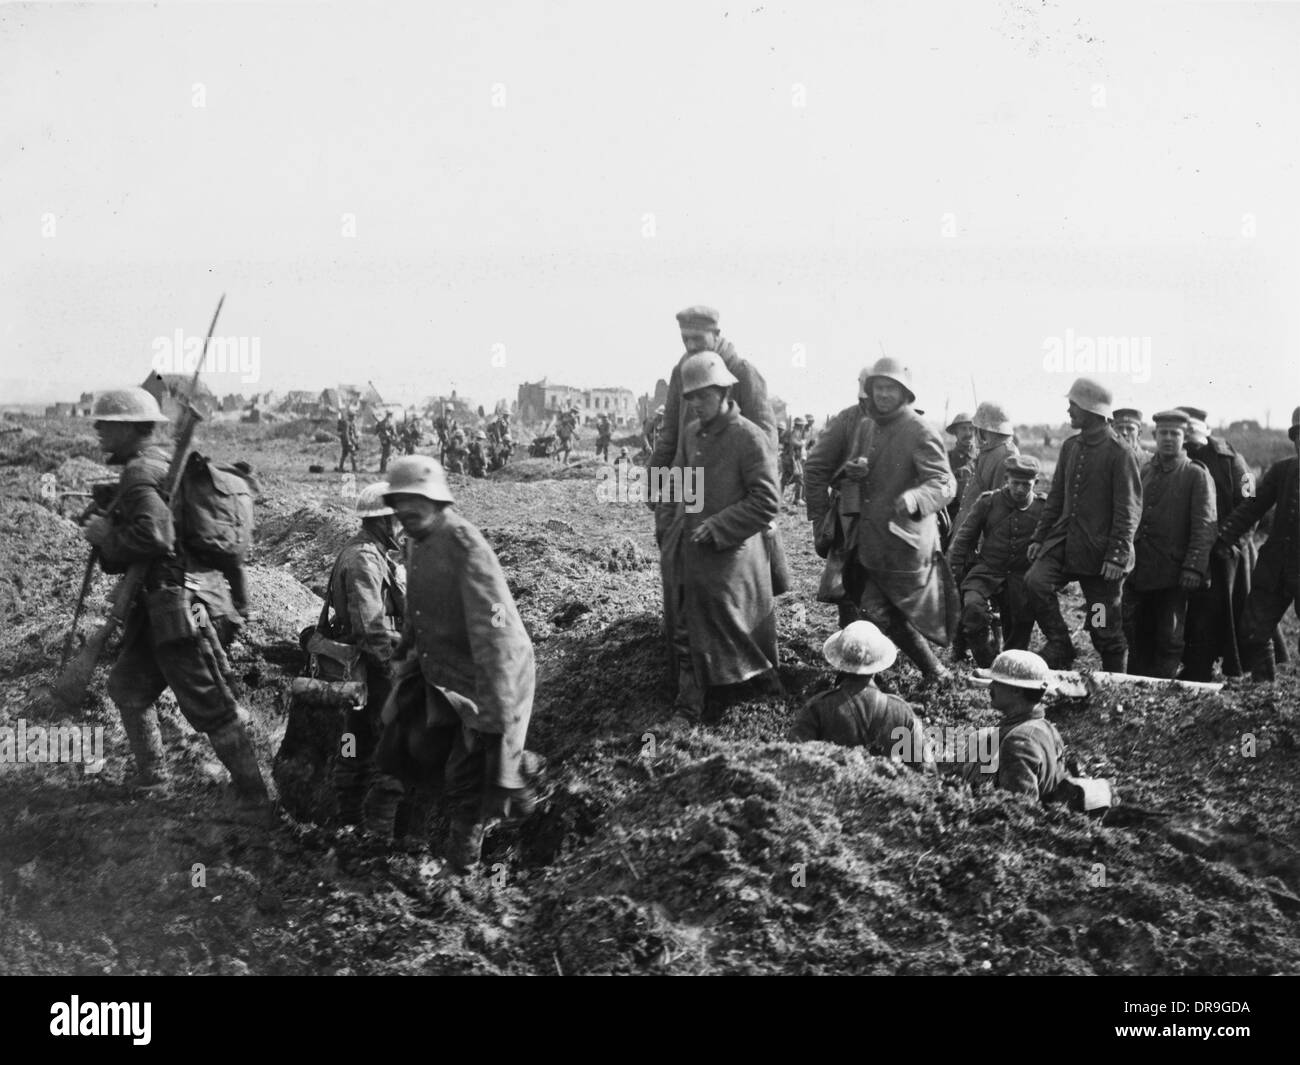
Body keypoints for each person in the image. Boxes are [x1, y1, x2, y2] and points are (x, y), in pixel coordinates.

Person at [80, 387, 269, 803]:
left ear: (130, 428)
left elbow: (155, 536)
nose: (97, 430)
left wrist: (106, 534)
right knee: (127, 687)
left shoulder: (140, 473)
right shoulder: (162, 464)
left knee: (210, 705)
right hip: (166, 606)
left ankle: (257, 798)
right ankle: (154, 780)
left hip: (181, 610)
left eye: (105, 423)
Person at [378, 456, 541, 873]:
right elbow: (416, 605)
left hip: (489, 672)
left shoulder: (465, 546)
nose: (404, 514)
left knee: (470, 781)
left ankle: (462, 872)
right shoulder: (416, 539)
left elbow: (495, 635)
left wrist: (495, 713)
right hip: (444, 669)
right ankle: (518, 771)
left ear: (434, 499)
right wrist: (405, 654)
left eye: (412, 504)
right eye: (398, 505)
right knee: (407, 745)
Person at [804, 357, 956, 680]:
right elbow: (835, 470)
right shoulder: (865, 425)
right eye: (879, 388)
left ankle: (863, 682)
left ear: (904, 393)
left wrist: (916, 498)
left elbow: (945, 483)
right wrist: (850, 472)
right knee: (879, 609)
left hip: (904, 543)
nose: (883, 395)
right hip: (868, 540)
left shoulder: (919, 430)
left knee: (875, 610)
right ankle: (934, 672)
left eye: (891, 389)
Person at [656, 352, 781, 721]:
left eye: (703, 396)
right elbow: (679, 481)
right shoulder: (692, 432)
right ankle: (688, 704)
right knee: (683, 621)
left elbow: (766, 502)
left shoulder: (748, 437)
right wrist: (667, 521)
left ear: (725, 392)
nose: (695, 404)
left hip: (732, 552)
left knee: (734, 624)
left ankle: (766, 685)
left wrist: (720, 525)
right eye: (690, 397)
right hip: (690, 544)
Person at [1025, 378, 1142, 672]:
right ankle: (1060, 644)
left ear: (1092, 410)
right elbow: (1055, 498)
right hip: (1066, 546)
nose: (1069, 410)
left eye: (1074, 405)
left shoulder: (1119, 453)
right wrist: (1040, 537)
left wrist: (1116, 556)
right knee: (1035, 581)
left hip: (1100, 561)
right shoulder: (1070, 447)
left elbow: (1128, 511)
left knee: (1103, 626)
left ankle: (1115, 683)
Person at [326, 482, 412, 842]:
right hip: (374, 672)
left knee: (355, 746)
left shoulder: (373, 554)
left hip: (366, 670)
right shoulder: (363, 558)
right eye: (398, 518)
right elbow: (370, 628)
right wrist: (399, 667)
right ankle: (377, 836)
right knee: (390, 749)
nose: (403, 525)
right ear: (383, 520)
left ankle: (349, 827)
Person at [1121, 411, 1216, 678]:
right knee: (1134, 630)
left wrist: (1193, 568)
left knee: (1170, 635)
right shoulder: (1146, 470)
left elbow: (1205, 526)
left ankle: (1163, 689)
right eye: (1163, 433)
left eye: (1175, 434)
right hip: (1140, 569)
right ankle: (1135, 685)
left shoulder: (1196, 475)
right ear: (1154, 435)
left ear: (1184, 438)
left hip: (1174, 573)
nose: (1168, 439)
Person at [1177, 405, 1263, 680]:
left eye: (1194, 428)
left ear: (1207, 430)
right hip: (1192, 548)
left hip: (1229, 551)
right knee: (1194, 612)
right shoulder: (1179, 458)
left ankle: (1244, 670)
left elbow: (1252, 500)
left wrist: (1231, 538)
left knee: (1231, 611)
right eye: (1185, 429)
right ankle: (1196, 665)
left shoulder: (1233, 459)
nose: (1190, 433)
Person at [1216, 406, 1300, 682]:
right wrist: (1225, 534)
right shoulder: (1282, 471)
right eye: (1299, 435)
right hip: (1275, 566)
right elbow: (1253, 506)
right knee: (1253, 630)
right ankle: (1265, 694)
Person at [948, 454, 1050, 667]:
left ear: (1036, 483)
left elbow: (1053, 544)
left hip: (1022, 577)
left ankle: (1008, 668)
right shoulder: (989, 502)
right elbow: (964, 537)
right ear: (1006, 479)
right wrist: (954, 570)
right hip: (987, 571)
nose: (1020, 489)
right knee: (973, 609)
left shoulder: (1043, 508)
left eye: (1026, 484)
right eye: (1015, 483)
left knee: (1019, 629)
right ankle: (985, 662)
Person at [789, 621, 931, 770]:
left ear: (838, 662)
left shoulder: (817, 708)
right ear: (878, 664)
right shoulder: (902, 712)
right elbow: (926, 770)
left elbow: (792, 759)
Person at [984, 650, 1067, 802]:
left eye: (997, 682)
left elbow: (1018, 808)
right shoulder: (1045, 727)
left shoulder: (1018, 741)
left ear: (1016, 690)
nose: (990, 687)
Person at [951, 401, 1019, 536]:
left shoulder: (1006, 456)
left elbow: (999, 508)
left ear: (985, 429)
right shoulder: (989, 452)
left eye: (974, 428)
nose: (972, 433)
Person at [943, 412, 977, 551]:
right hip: (953, 516)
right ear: (955, 432)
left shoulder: (982, 458)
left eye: (971, 429)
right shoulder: (946, 458)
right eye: (963, 429)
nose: (968, 433)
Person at [779, 417, 808, 510]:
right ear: (800, 425)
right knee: (800, 477)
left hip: (789, 458)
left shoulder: (794, 432)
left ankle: (778, 498)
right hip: (791, 459)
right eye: (803, 425)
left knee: (784, 479)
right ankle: (797, 499)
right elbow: (793, 443)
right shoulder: (796, 432)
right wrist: (802, 444)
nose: (804, 426)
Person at [337, 408, 360, 473]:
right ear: (351, 416)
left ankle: (340, 468)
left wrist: (356, 438)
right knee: (353, 453)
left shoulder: (352, 423)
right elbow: (346, 433)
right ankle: (354, 468)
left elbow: (354, 432)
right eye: (354, 416)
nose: (355, 417)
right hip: (347, 441)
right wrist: (349, 442)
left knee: (344, 454)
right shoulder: (347, 423)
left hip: (349, 440)